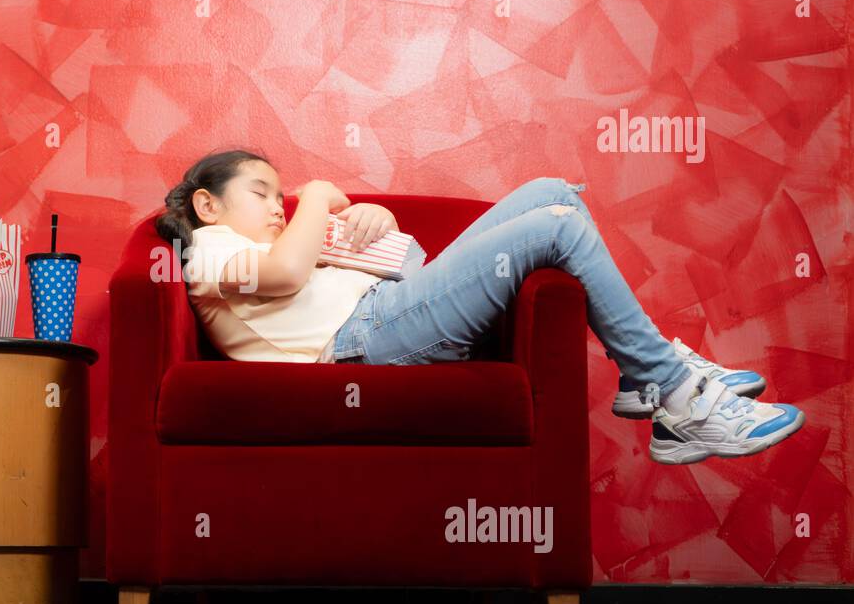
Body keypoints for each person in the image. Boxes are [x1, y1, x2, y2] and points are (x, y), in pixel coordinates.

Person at [157, 149, 805, 465]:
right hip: (366, 338)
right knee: (555, 224)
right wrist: (320, 195)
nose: (278, 205)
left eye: (282, 195)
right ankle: (676, 394)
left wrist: (373, 219)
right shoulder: (208, 253)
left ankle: (646, 377)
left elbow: (386, 260)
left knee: (552, 191)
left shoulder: (266, 244)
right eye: (262, 193)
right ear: (209, 206)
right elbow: (291, 268)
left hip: (395, 301)